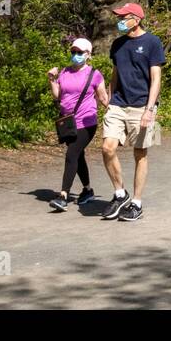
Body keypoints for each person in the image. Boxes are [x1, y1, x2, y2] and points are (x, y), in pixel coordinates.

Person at [101, 3, 166, 222]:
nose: (119, 20)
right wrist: (110, 97)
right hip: (118, 104)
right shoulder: (118, 44)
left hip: (141, 106)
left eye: (123, 17)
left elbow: (156, 78)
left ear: (136, 19)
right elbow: (115, 73)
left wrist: (150, 109)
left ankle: (136, 203)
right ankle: (120, 194)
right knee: (107, 148)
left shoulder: (152, 42)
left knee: (140, 154)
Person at [47, 38, 108, 211]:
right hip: (68, 123)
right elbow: (58, 95)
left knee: (71, 154)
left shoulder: (94, 74)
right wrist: (52, 79)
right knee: (78, 156)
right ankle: (88, 190)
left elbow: (103, 98)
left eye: (80, 53)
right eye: (73, 52)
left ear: (88, 55)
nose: (75, 55)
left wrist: (116, 113)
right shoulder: (65, 72)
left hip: (87, 122)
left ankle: (63, 196)